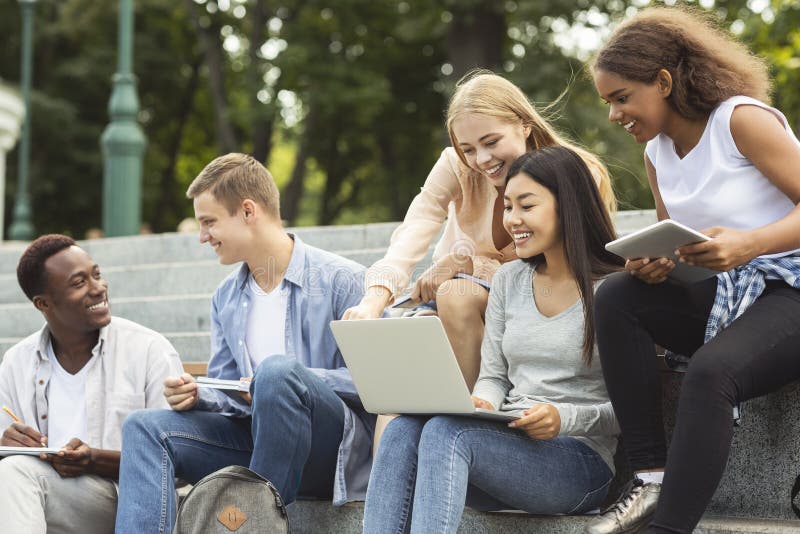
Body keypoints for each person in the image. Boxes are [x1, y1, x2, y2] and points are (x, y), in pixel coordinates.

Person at [587, 7, 800, 534]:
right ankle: (650, 474)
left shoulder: (741, 120)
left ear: (663, 81)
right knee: (617, 294)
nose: (615, 115)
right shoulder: (657, 153)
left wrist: (752, 243)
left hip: (790, 289)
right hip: (727, 292)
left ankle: (667, 528)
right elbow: (679, 244)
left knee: (711, 369)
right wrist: (657, 263)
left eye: (621, 99)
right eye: (608, 103)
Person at [344, 70, 616, 445]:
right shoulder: (456, 165)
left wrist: (466, 260)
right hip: (449, 300)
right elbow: (418, 224)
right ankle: (384, 483)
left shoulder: (574, 172)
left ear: (523, 125)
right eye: (468, 148)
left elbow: (573, 263)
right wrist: (375, 299)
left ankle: (471, 429)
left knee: (457, 296)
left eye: (491, 142)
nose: (481, 160)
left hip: (526, 306)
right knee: (400, 381)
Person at [362, 146, 623, 533]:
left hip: (580, 460)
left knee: (447, 432)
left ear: (567, 204)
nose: (512, 220)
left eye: (526, 206)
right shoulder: (509, 279)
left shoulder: (614, 289)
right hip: (508, 441)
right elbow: (495, 376)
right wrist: (484, 401)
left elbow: (631, 409)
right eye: (507, 207)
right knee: (402, 428)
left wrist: (561, 418)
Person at [114, 153, 374, 534]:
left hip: (329, 452)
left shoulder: (343, 280)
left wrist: (283, 383)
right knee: (144, 427)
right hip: (256, 442)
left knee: (277, 371)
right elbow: (228, 389)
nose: (202, 236)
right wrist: (200, 395)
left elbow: (374, 384)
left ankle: (244, 526)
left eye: (209, 222)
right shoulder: (226, 297)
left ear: (248, 211)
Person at [0, 234, 182, 534]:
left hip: (131, 501)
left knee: (15, 475)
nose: (99, 288)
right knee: (12, 471)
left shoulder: (149, 349)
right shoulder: (17, 361)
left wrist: (93, 461)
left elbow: (177, 465)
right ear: (43, 303)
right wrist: (9, 445)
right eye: (79, 282)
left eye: (96, 275)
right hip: (49, 498)